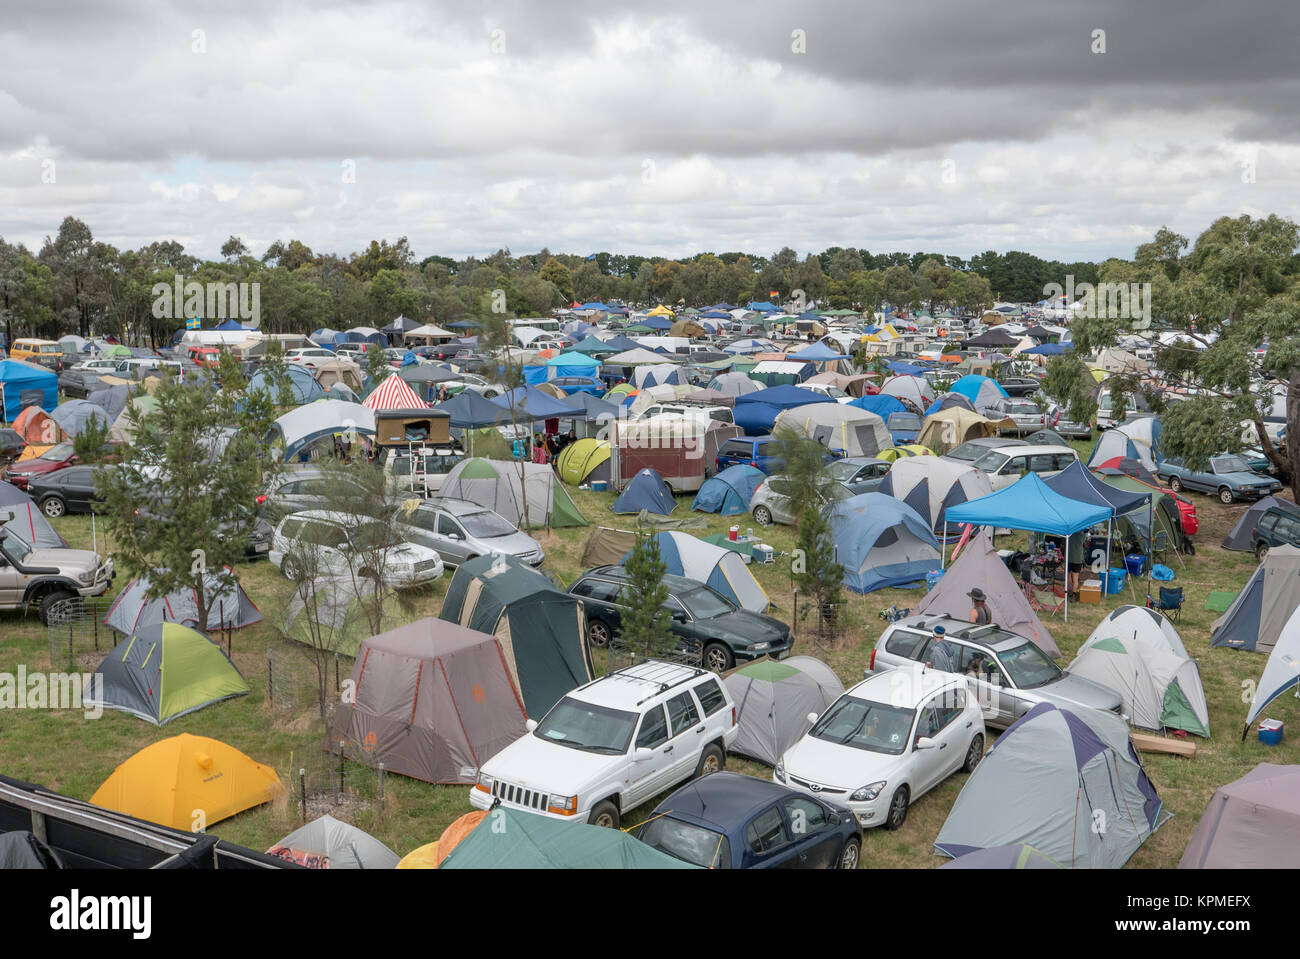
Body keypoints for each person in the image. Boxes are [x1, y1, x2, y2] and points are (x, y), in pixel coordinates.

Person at [1067, 532, 1085, 599]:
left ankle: (1069, 591)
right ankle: (1074, 594)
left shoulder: (1069, 534)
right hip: (1078, 559)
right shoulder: (1082, 535)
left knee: (1068, 576)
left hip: (1069, 557)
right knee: (1075, 578)